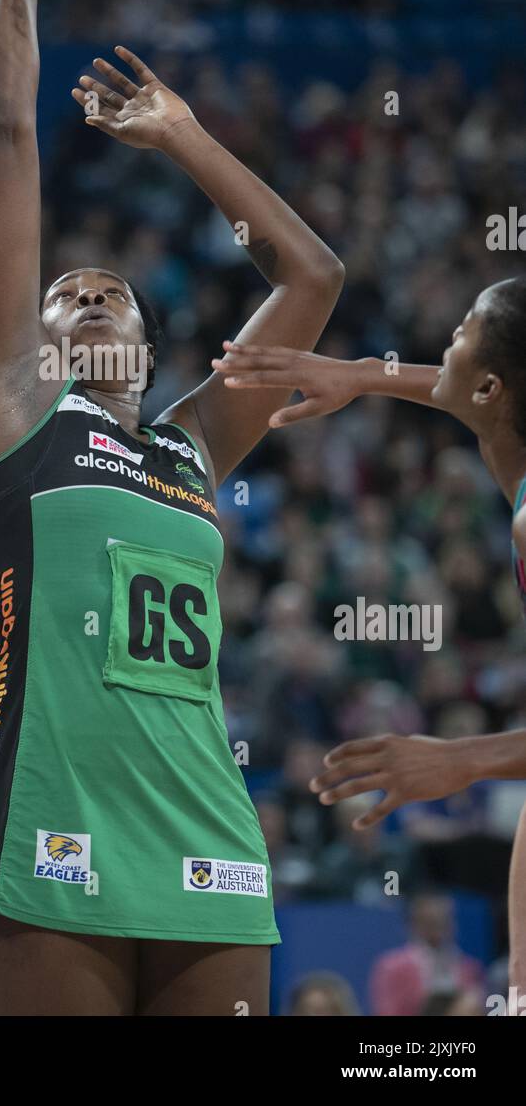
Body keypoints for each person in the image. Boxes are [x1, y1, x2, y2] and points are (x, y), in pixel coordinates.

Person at [0, 0, 345, 1016]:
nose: (79, 294)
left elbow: (311, 277)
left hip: (204, 829)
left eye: (106, 292)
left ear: (148, 343)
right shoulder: (15, 411)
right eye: (62, 293)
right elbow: (2, 130)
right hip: (49, 821)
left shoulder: (191, 446)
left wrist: (182, 134)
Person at [212, 275, 526, 992]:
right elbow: (458, 388)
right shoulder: (503, 429)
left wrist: (463, 761)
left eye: (464, 329)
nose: (448, 336)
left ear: (490, 390)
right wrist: (360, 376)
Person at [368, 894, 484, 1017]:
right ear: (414, 924)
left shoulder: (470, 968)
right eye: (431, 922)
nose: (438, 929)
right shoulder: (392, 968)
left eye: (444, 921)